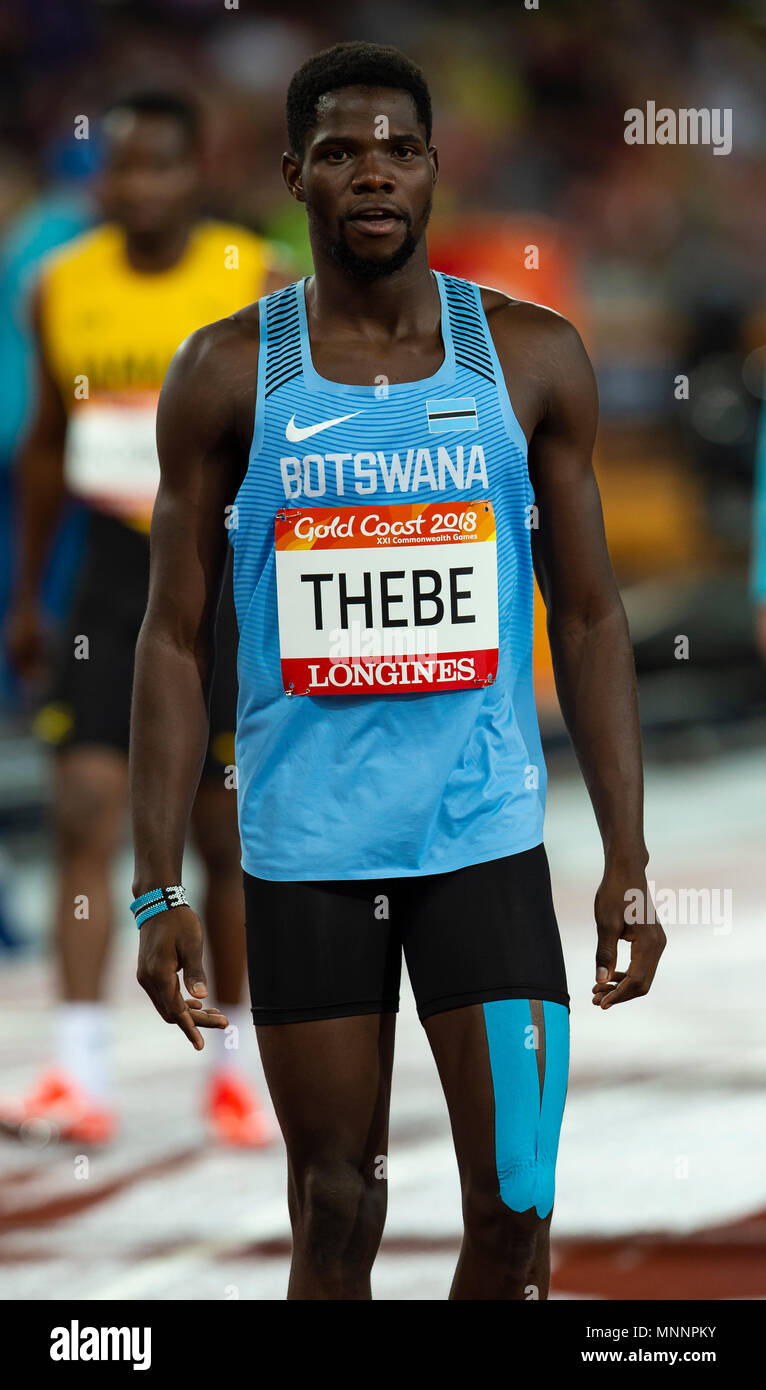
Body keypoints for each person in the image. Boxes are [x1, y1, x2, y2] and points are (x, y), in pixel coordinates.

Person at [129, 43, 666, 1299]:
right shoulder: (223, 372)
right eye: (340, 153)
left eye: (400, 150)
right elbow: (168, 635)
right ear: (291, 179)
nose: (373, 173)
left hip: (481, 839)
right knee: (334, 1210)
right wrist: (156, 888)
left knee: (518, 1211)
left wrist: (629, 864)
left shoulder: (529, 360)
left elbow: (587, 619)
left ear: (434, 173)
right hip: (306, 851)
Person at [3, 91, 291, 1147]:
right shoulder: (59, 287)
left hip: (223, 578)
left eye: (159, 169)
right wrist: (31, 597)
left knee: (221, 830)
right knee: (85, 808)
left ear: (195, 170)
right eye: (119, 171)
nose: (137, 190)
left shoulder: (252, 281)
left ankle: (234, 1065)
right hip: (110, 578)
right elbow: (43, 445)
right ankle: (79, 1070)